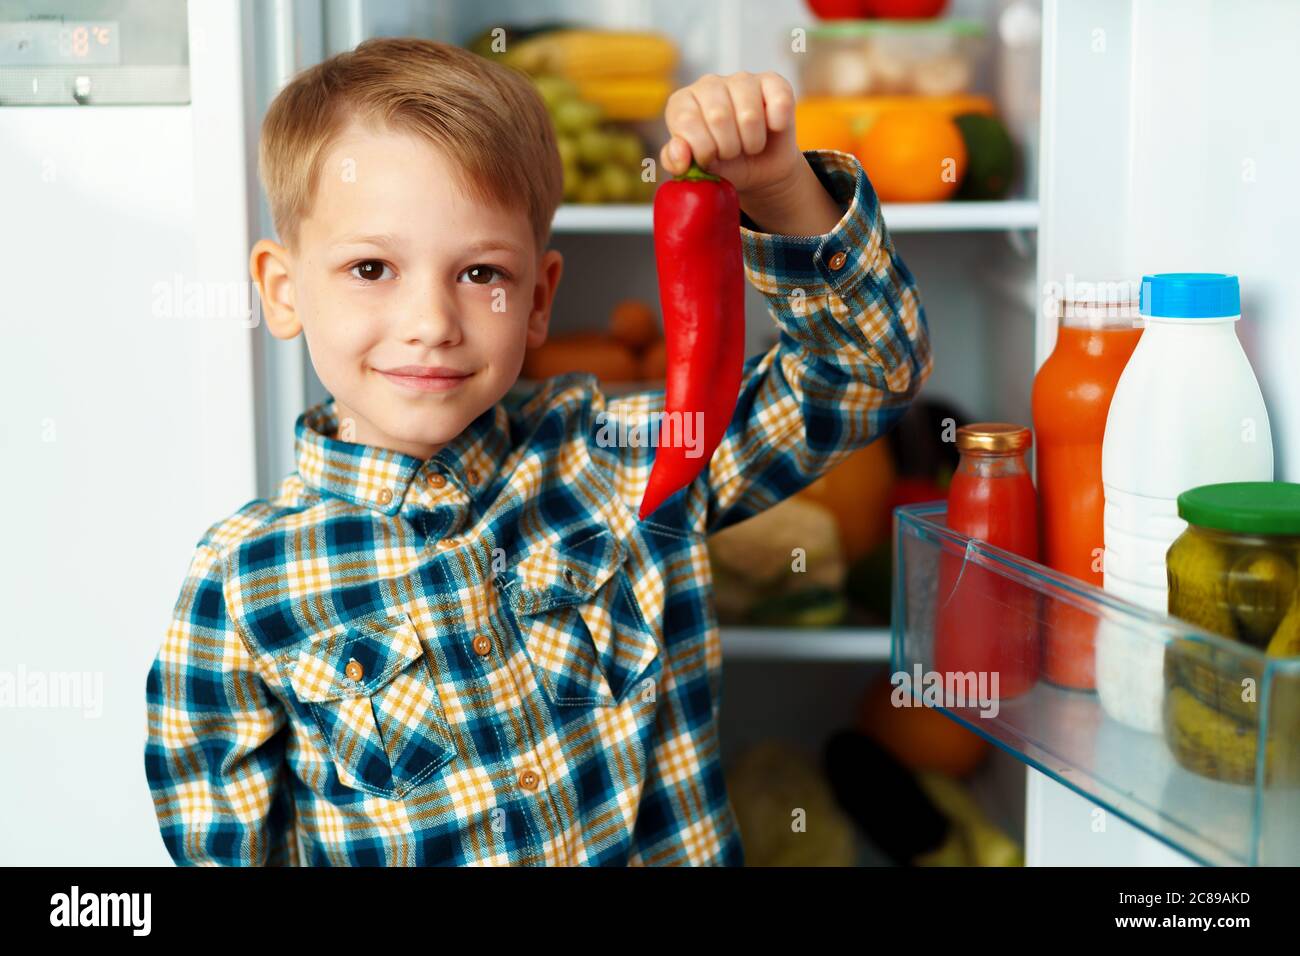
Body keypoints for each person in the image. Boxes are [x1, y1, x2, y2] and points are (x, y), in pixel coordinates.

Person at [143, 37, 931, 865]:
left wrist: (780, 191)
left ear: (538, 299)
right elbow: (223, 848)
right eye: (372, 267)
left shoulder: (618, 459)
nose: (433, 322)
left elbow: (870, 370)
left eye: (481, 273)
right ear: (281, 289)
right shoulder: (239, 586)